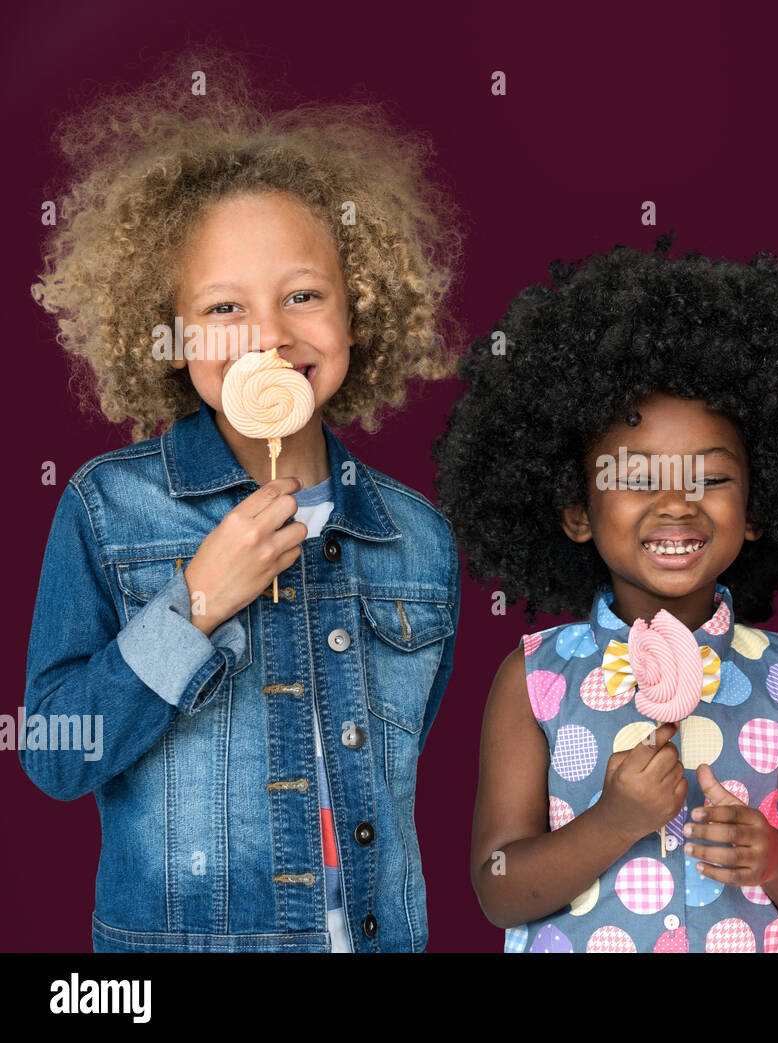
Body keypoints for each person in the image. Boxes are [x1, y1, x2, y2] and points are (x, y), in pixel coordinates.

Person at [23, 53, 465, 952]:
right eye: (224, 307)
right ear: (171, 332)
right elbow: (54, 754)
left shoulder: (417, 538)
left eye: (304, 294)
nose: (269, 334)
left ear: (358, 310)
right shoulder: (108, 508)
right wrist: (195, 605)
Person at [435, 239, 778, 952]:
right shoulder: (535, 679)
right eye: (635, 478)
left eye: (712, 479)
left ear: (758, 508)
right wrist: (613, 819)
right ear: (574, 509)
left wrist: (774, 855)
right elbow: (500, 886)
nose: (676, 504)